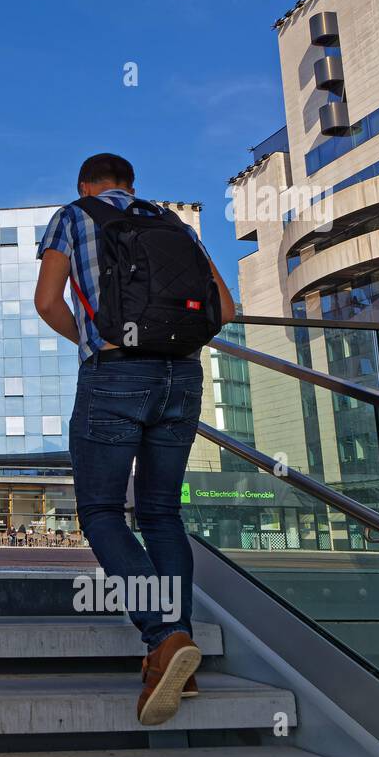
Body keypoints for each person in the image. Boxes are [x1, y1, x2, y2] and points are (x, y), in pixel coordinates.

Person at [34, 152, 234, 727]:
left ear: (83, 184)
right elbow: (226, 307)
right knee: (163, 515)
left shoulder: (74, 216)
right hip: (182, 376)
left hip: (116, 373)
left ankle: (165, 635)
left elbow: (48, 301)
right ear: (132, 184)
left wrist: (90, 340)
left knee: (100, 511)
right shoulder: (171, 223)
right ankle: (178, 658)